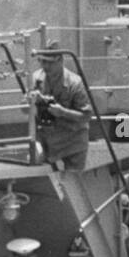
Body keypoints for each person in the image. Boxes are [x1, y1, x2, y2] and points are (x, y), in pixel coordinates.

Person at [30, 42, 91, 171]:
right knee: (41, 178)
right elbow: (24, 109)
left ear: (60, 61)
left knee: (74, 182)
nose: (46, 66)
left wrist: (63, 112)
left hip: (72, 141)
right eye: (42, 62)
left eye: (50, 63)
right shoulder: (36, 78)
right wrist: (30, 102)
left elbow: (86, 116)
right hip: (47, 140)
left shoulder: (75, 83)